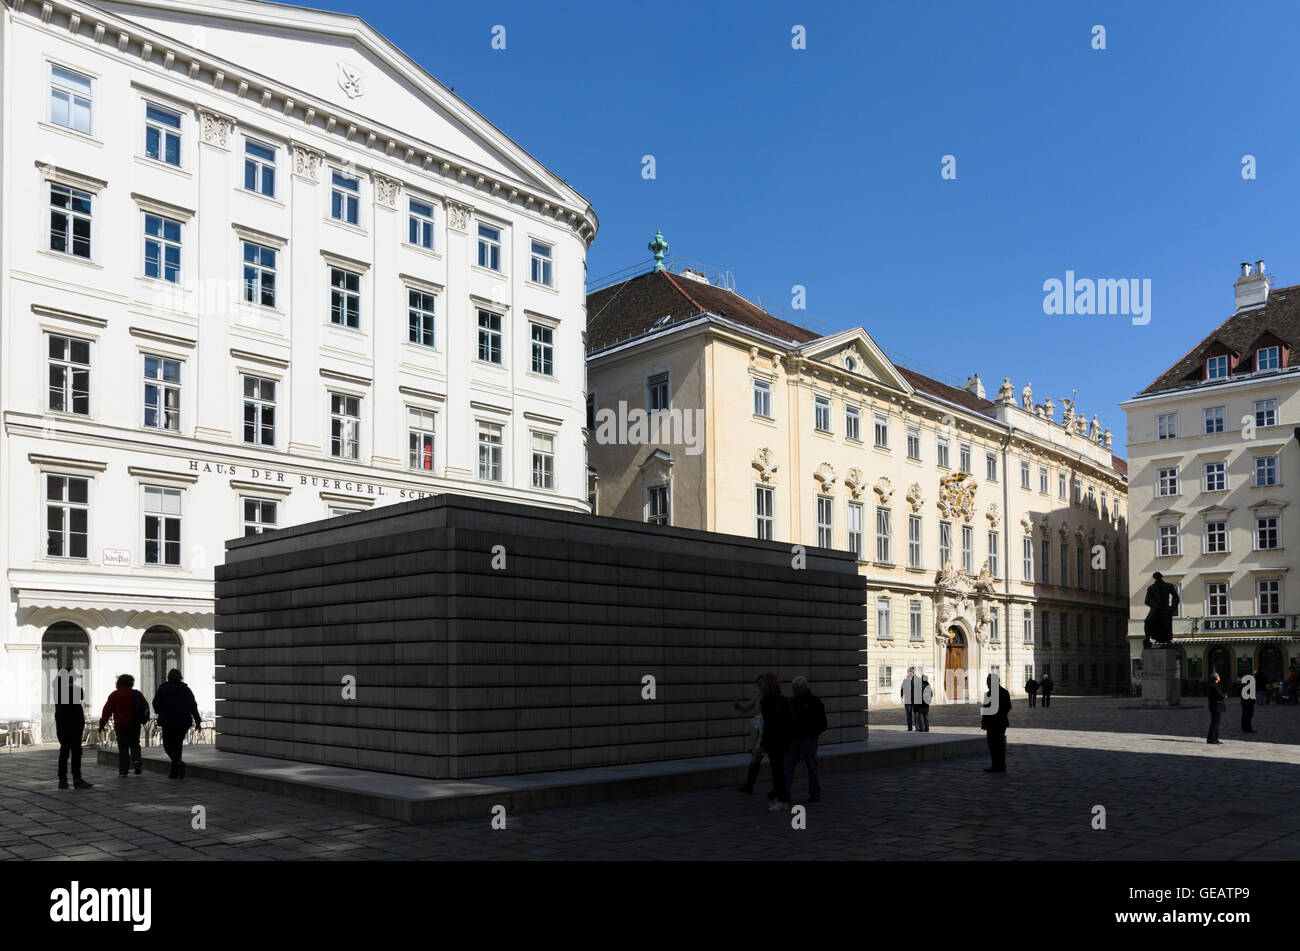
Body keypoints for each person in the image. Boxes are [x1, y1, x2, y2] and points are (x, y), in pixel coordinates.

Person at [152, 669, 202, 779]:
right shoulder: (186, 689)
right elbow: (193, 706)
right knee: (177, 745)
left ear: (168, 677)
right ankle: (175, 771)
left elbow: (156, 703)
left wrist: (158, 711)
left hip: (168, 721)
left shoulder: (163, 688)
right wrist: (198, 721)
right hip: (183, 721)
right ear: (180, 677)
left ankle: (177, 763)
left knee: (167, 745)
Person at [785, 676, 827, 803]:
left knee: (811, 767)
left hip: (808, 739)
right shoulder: (792, 702)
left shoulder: (814, 702)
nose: (793, 690)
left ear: (802, 688)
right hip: (795, 740)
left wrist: (813, 735)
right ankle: (785, 794)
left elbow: (823, 723)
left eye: (794, 688)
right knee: (789, 766)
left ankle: (814, 793)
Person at [98, 674, 149, 776]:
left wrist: (101, 725)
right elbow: (145, 706)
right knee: (135, 744)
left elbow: (106, 711)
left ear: (118, 683)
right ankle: (137, 762)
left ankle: (123, 771)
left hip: (121, 725)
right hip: (134, 724)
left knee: (123, 748)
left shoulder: (114, 695)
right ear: (131, 682)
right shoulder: (136, 694)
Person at [757, 672, 793, 812]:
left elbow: (768, 724)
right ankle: (781, 798)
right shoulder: (782, 698)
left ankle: (782, 800)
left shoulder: (766, 700)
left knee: (777, 772)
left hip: (774, 741)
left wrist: (763, 744)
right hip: (782, 740)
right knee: (780, 772)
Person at [52, 667, 93, 790]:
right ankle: (77, 779)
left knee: (64, 751)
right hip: (73, 723)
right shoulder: (72, 688)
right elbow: (81, 694)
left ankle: (62, 780)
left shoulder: (57, 688)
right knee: (75, 751)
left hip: (63, 723)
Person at [734, 676, 765, 794]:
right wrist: (738, 705)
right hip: (758, 733)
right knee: (755, 758)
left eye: (761, 684)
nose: (760, 687)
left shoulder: (772, 697)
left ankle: (776, 788)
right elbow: (746, 708)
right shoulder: (757, 697)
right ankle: (749, 786)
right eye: (758, 685)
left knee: (771, 760)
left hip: (767, 733)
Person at [980, 672, 1011, 772]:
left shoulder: (1003, 692)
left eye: (988, 681)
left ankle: (1000, 765)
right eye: (986, 681)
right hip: (992, 724)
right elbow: (985, 709)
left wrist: (996, 715)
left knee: (998, 745)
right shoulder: (989, 693)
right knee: (992, 745)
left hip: (998, 723)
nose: (986, 683)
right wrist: (984, 722)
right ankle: (995, 765)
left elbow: (1007, 707)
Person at [1143, 571, 1180, 648]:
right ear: (1155, 578)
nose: (1157, 579)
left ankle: (1167, 639)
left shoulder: (1168, 586)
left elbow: (1176, 597)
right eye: (1156, 578)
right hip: (1155, 610)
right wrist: (1154, 606)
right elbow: (1147, 601)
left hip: (1165, 609)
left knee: (1166, 624)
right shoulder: (1151, 588)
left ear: (1160, 577)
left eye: (1158, 577)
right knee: (1147, 621)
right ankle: (1147, 638)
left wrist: (1172, 608)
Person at [1207, 672, 1226, 745]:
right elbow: (1220, 695)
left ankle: (1214, 738)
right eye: (1218, 676)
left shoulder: (1212, 685)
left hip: (1214, 706)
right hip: (1216, 706)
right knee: (1215, 723)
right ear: (1216, 678)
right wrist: (1224, 695)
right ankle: (1212, 739)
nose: (1219, 677)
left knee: (1215, 723)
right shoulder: (1214, 686)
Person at [1241, 669, 1259, 734]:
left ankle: (1245, 727)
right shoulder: (1250, 683)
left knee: (1245, 714)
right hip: (1248, 701)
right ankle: (1247, 728)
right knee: (1248, 715)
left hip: (1245, 701)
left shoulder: (1244, 682)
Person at [900, 666, 916, 731]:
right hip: (907, 699)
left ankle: (917, 727)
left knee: (915, 714)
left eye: (908, 671)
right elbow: (902, 688)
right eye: (908, 671)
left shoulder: (916, 679)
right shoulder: (905, 679)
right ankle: (910, 727)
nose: (907, 672)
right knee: (908, 714)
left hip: (915, 699)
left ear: (912, 672)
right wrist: (901, 696)